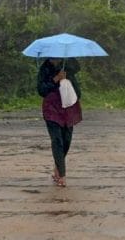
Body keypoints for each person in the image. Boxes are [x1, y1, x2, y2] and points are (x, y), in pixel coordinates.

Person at [37, 57, 82, 187]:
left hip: (68, 108)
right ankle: (62, 175)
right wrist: (55, 80)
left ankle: (58, 165)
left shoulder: (68, 65)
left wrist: (65, 76)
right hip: (51, 109)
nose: (54, 59)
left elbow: (77, 91)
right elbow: (41, 90)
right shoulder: (44, 69)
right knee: (57, 140)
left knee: (67, 140)